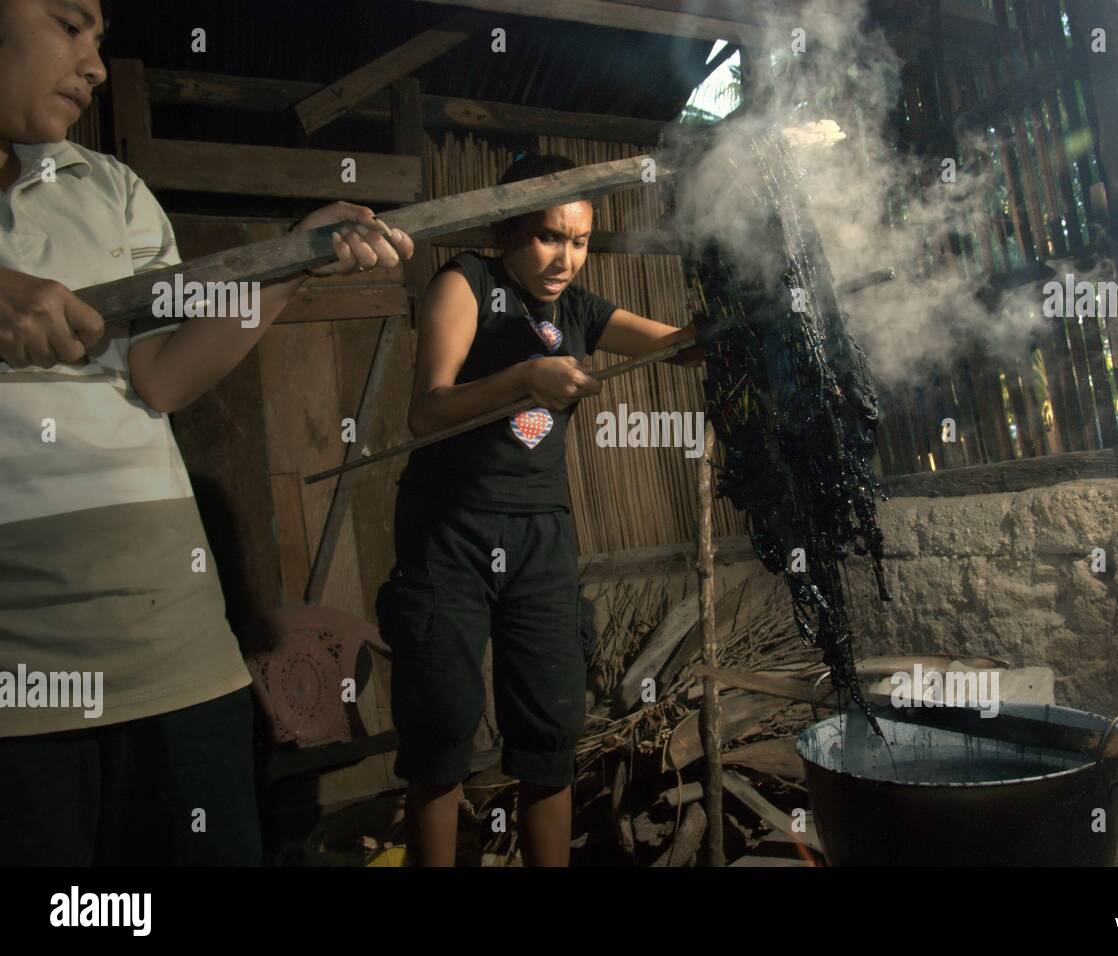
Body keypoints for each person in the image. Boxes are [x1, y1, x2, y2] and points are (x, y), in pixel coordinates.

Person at [0, 0, 414, 865]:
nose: (95, 64)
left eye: (101, 41)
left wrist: (293, 261)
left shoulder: (108, 190)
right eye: (69, 25)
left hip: (178, 663)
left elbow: (164, 374)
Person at [380, 153, 702, 866]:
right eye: (549, 237)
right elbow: (426, 412)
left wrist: (733, 325)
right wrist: (522, 376)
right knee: (441, 728)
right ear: (509, 229)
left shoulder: (581, 311)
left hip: (541, 536)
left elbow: (680, 349)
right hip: (450, 533)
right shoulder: (467, 282)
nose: (565, 258)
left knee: (550, 731)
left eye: (580, 241)